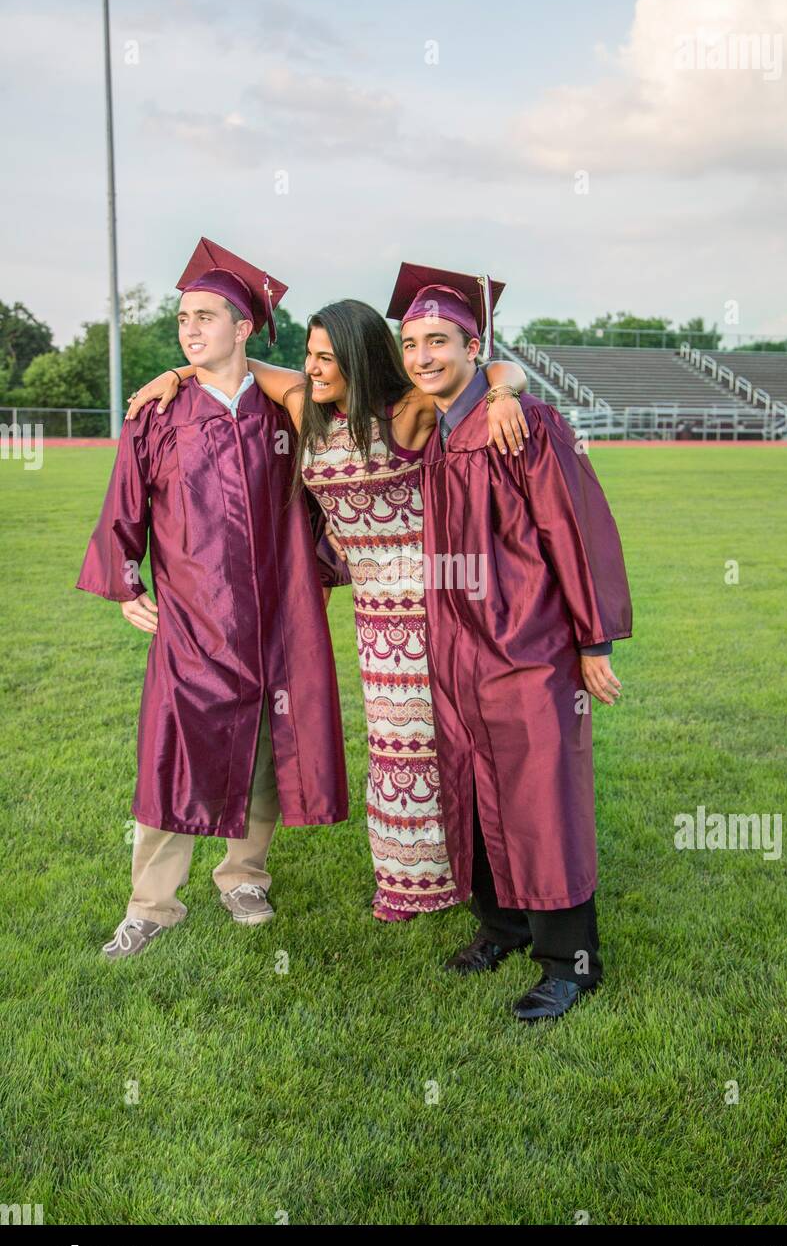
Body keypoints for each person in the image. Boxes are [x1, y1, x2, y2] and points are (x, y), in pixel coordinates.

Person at [126, 294, 529, 922]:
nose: (312, 369)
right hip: (376, 619)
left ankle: (489, 886)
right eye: (309, 356)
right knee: (395, 753)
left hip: (433, 607)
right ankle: (411, 884)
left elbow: (492, 373)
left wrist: (505, 393)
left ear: (361, 359)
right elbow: (250, 365)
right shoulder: (305, 407)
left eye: (326, 358)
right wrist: (178, 373)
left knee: (447, 747)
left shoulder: (407, 413)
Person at [77, 238, 348, 959]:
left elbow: (331, 499)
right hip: (194, 618)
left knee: (263, 746)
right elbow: (122, 505)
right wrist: (124, 582)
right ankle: (151, 904)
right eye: (182, 321)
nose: (190, 331)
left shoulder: (289, 411)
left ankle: (243, 875)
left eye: (205, 317)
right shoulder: (159, 412)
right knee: (171, 752)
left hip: (278, 614)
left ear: (244, 327)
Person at [388, 261, 633, 1022]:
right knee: (477, 782)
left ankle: (571, 962)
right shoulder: (438, 429)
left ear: (473, 345)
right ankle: (504, 926)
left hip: (527, 644)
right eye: (411, 343)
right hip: (457, 650)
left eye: (438, 341)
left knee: (540, 792)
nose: (423, 355)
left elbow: (576, 531)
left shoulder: (525, 424)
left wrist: (593, 643)